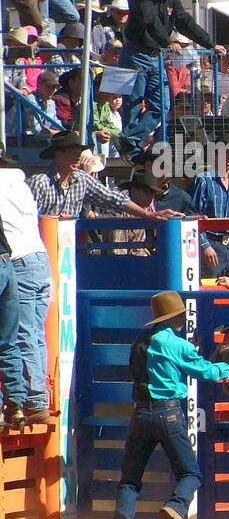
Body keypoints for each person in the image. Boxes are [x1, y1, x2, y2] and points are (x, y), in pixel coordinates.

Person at [105, 291, 229, 519]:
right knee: (191, 473)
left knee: (130, 479)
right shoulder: (177, 344)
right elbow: (207, 371)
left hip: (140, 413)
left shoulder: (140, 342)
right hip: (168, 413)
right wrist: (228, 366)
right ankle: (177, 506)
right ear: (178, 317)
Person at [117, 0, 228, 164]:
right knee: (133, 102)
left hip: (155, 56)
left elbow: (185, 22)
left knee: (162, 104)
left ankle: (129, 139)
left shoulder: (171, 0)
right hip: (135, 55)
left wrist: (210, 43)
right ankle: (131, 151)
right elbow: (150, 22)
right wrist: (168, 40)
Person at [0, 146, 52, 429]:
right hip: (40, 257)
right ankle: (37, 399)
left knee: (21, 333)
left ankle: (33, 400)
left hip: (16, 258)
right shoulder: (20, 184)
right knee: (35, 333)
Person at [29, 131, 174, 220]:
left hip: (67, 246)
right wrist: (52, 220)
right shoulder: (40, 182)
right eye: (73, 153)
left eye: (79, 154)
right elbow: (26, 218)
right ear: (58, 155)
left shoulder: (82, 179)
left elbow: (113, 198)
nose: (78, 158)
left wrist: (147, 215)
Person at [190, 144, 229, 279]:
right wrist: (204, 246)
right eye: (224, 154)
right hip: (211, 245)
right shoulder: (203, 180)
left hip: (228, 247)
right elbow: (193, 214)